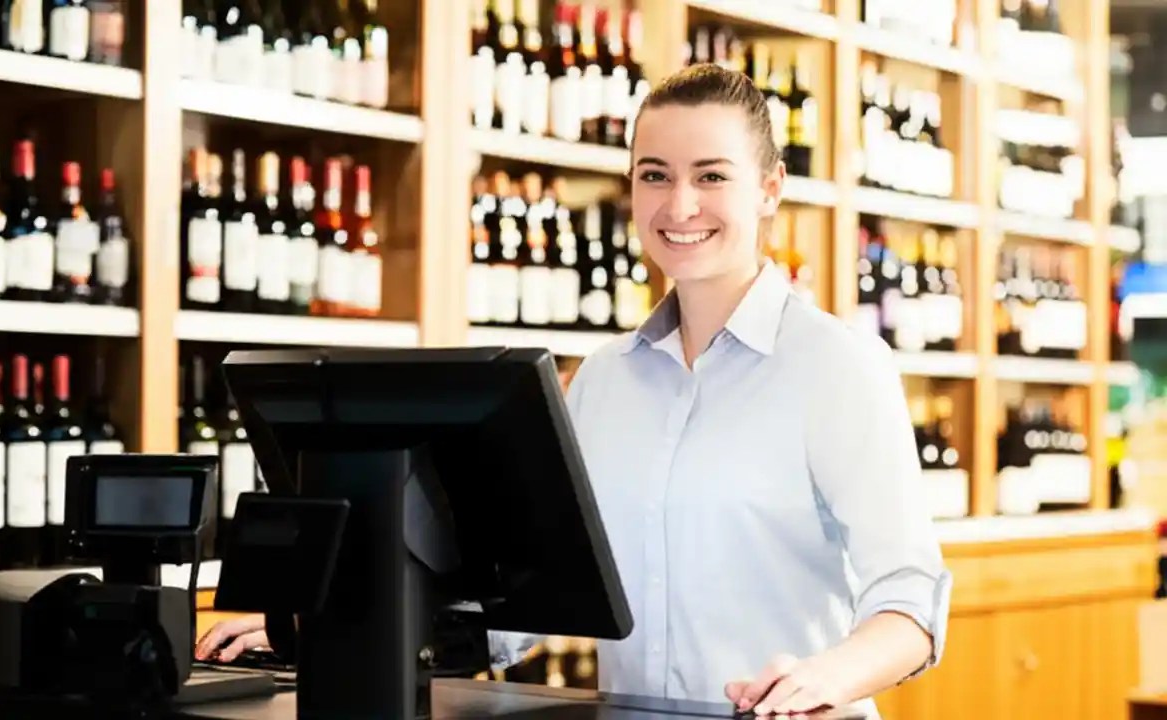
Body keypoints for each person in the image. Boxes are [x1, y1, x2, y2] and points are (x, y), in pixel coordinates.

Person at [194, 63, 952, 717]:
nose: (679, 206)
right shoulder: (604, 379)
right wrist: (320, 625)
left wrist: (823, 679)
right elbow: (524, 599)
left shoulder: (838, 367)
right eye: (654, 175)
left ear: (769, 189)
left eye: (711, 176)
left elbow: (910, 601)